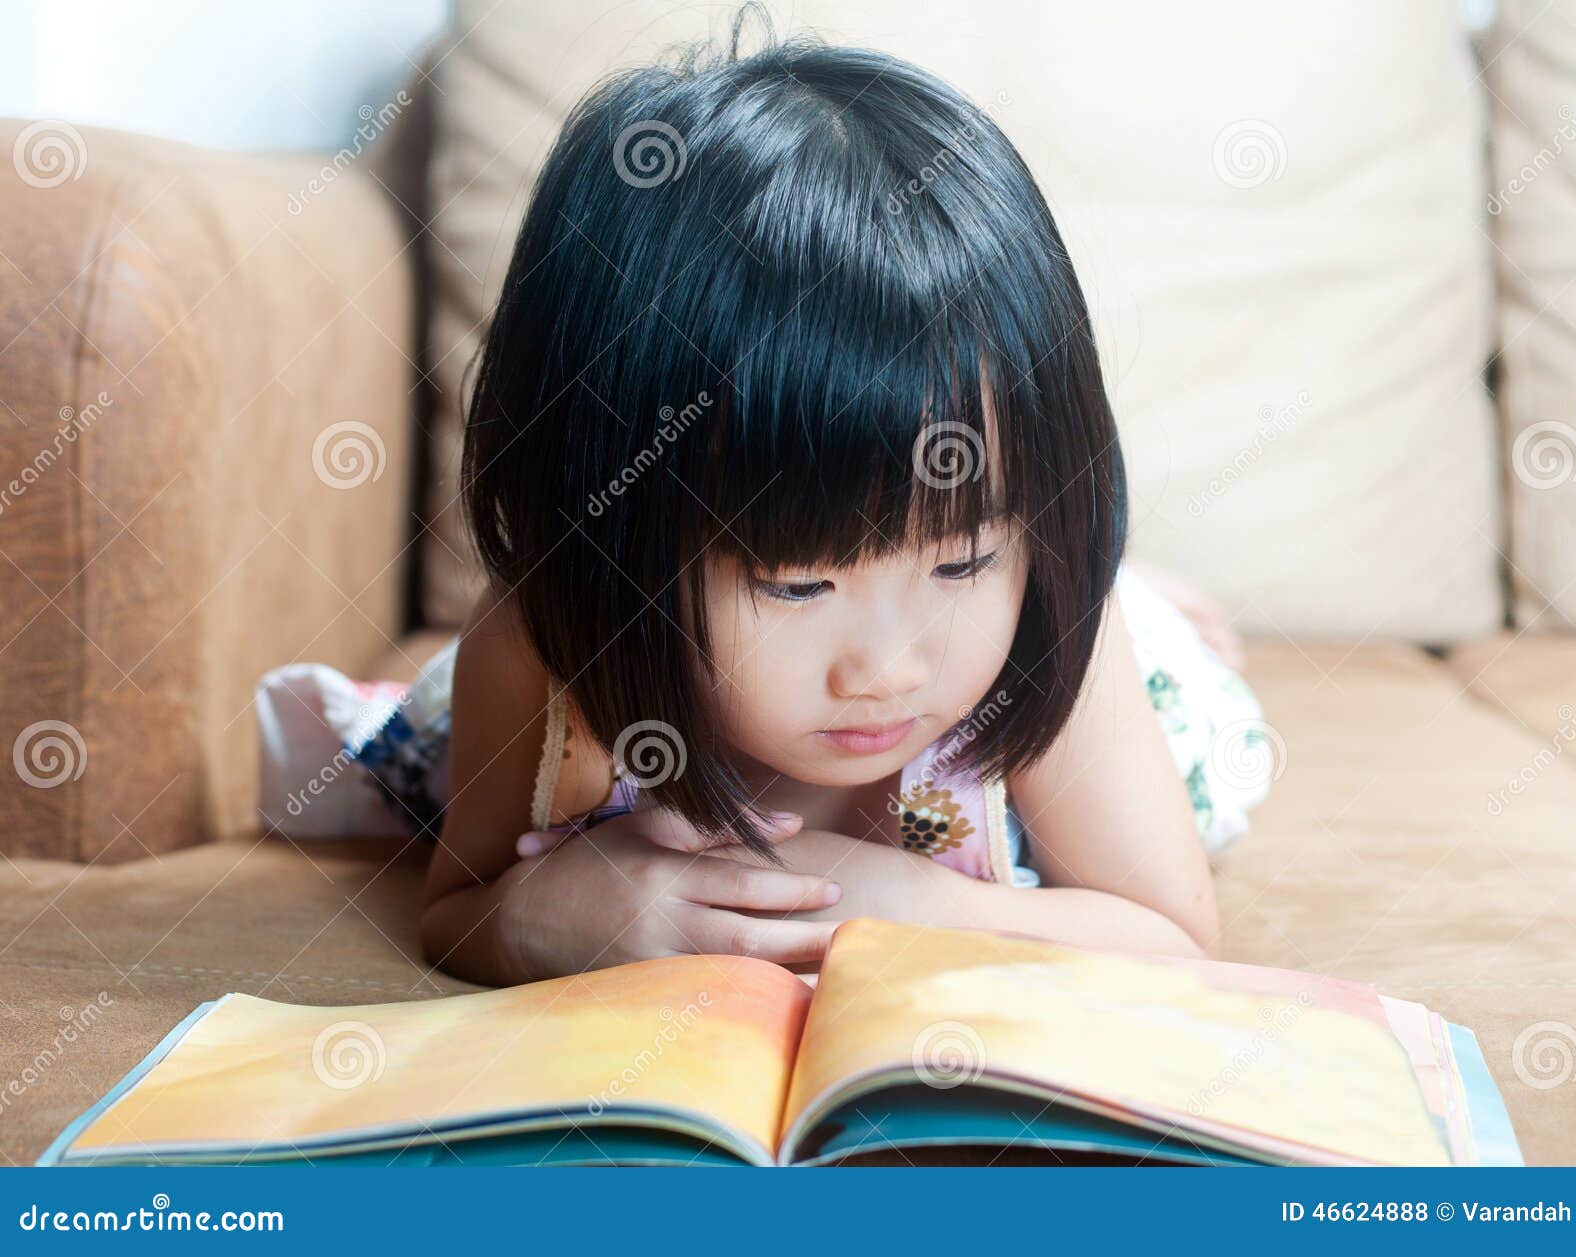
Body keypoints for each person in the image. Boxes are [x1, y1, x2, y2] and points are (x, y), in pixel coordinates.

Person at [255, 18, 1272, 988]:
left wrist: (933, 911)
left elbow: (1171, 936)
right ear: (606, 551)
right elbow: (459, 908)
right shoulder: (547, 641)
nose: (885, 670)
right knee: (419, 759)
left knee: (1146, 649)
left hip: (1080, 647)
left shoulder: (1049, 629)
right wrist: (540, 916)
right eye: (796, 582)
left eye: (960, 558)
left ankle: (1153, 607)